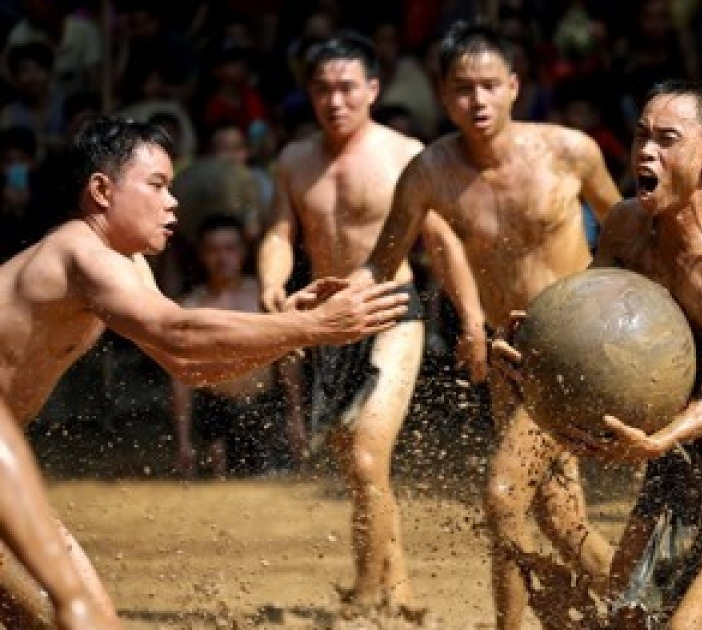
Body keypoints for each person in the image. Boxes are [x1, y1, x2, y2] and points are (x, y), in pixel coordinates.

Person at [0, 116, 404, 630]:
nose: (174, 203)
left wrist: (289, 327)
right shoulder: (81, 250)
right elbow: (180, 332)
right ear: (101, 190)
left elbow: (188, 364)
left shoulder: (126, 264)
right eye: (158, 185)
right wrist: (309, 329)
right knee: (78, 616)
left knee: (85, 618)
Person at [499, 81, 702, 629]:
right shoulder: (625, 226)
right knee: (628, 622)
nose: (646, 152)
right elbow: (589, 321)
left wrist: (651, 442)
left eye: (667, 140)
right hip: (677, 459)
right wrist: (535, 350)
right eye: (641, 137)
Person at [356, 21, 623, 629]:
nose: (476, 101)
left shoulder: (571, 151)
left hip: (581, 344)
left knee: (505, 494)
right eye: (461, 88)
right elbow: (381, 263)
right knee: (556, 516)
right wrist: (319, 307)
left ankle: (614, 609)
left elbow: (629, 231)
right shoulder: (430, 170)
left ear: (514, 87)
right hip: (512, 356)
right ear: (442, 94)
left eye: (488, 85)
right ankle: (641, 605)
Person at [257, 32, 471, 620]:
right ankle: (371, 578)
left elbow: (442, 242)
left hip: (392, 310)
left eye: (347, 87)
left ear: (373, 90)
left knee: (367, 458)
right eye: (323, 89)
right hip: (331, 323)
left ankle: (396, 596)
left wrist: (472, 323)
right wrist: (272, 283)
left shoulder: (406, 154)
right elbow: (280, 233)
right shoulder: (295, 161)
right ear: (310, 93)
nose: (335, 100)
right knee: (355, 461)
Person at [173, 214, 306, 478]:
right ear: (201, 255)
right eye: (213, 250)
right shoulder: (190, 308)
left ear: (244, 252)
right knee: (218, 470)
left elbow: (288, 360)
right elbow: (179, 379)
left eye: (230, 249)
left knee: (278, 476)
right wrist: (183, 441)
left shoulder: (265, 298)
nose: (222, 258)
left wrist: (295, 416)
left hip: (266, 405)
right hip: (215, 410)